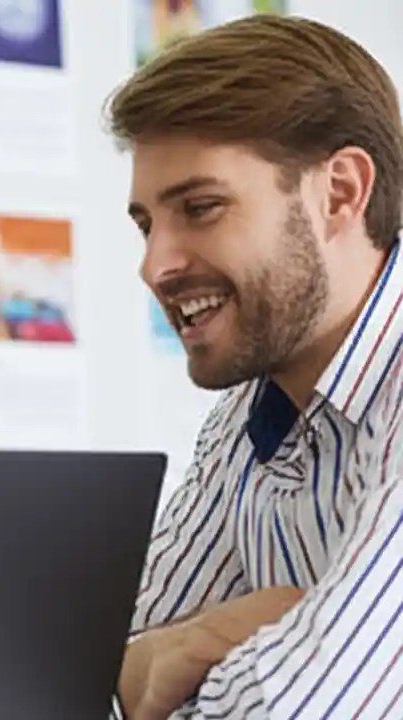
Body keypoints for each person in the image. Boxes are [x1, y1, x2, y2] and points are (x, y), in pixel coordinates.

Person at [106, 14, 403, 720]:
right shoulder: (250, 412)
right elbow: (64, 675)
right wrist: (164, 656)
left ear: (339, 193)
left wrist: (169, 667)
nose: (155, 266)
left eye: (201, 208)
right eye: (147, 224)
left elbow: (299, 709)